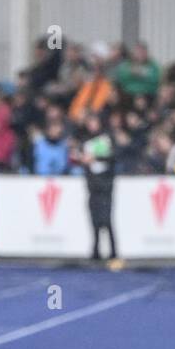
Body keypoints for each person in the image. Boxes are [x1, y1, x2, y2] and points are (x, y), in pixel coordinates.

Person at [74, 112, 122, 268]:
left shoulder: (107, 138)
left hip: (106, 184)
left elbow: (113, 156)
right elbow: (80, 157)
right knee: (94, 219)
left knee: (107, 219)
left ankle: (113, 251)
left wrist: (95, 158)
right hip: (92, 184)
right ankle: (96, 250)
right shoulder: (84, 140)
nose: (91, 125)